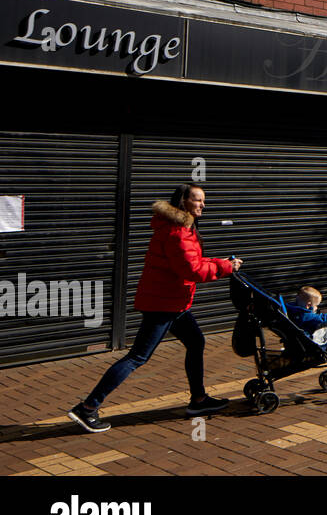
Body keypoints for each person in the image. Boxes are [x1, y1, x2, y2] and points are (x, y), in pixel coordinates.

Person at [68, 184, 239, 433]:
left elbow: (194, 261)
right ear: (183, 203)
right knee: (138, 356)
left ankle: (199, 400)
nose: (203, 205)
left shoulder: (182, 228)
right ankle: (87, 407)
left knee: (196, 342)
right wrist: (225, 268)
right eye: (198, 200)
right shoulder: (177, 232)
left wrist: (220, 262)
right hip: (163, 305)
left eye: (204, 200)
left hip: (174, 303)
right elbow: (191, 270)